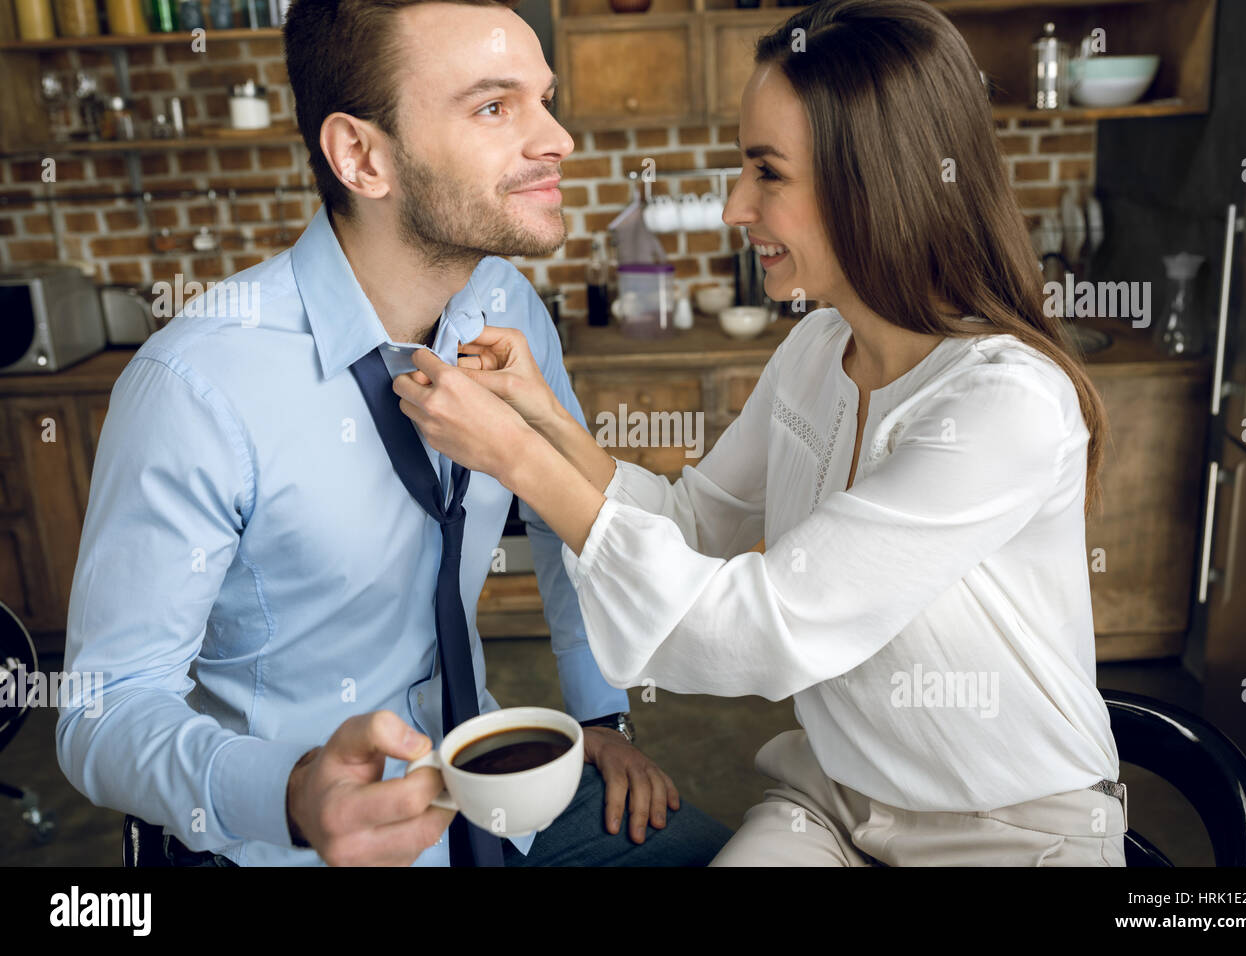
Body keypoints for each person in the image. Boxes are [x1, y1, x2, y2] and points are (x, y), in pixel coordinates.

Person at [395, 0, 1129, 866]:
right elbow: (694, 521)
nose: (735, 206)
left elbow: (767, 625)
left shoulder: (1006, 405)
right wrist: (544, 419)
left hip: (1008, 830)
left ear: (877, 182)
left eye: (767, 172)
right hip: (829, 800)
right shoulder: (820, 346)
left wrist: (514, 457)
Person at [55, 0, 731, 867]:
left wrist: (600, 717)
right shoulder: (194, 384)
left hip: (490, 794)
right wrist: (291, 794)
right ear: (361, 156)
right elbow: (101, 708)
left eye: (544, 98)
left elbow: (569, 531)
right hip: (279, 846)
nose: (557, 138)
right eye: (495, 107)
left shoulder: (506, 305)